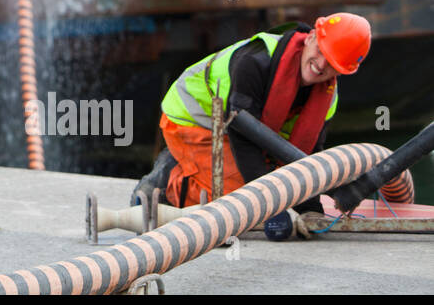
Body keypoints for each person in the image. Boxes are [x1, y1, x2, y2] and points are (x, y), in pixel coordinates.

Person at [137, 13, 371, 210]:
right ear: (310, 38)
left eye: (332, 63)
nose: (321, 64)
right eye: (321, 51)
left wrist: (307, 206)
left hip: (243, 130)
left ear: (342, 72)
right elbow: (244, 134)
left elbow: (309, 156)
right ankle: (166, 183)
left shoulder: (328, 97)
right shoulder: (254, 61)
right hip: (194, 119)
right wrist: (268, 205)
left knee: (284, 190)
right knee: (238, 200)